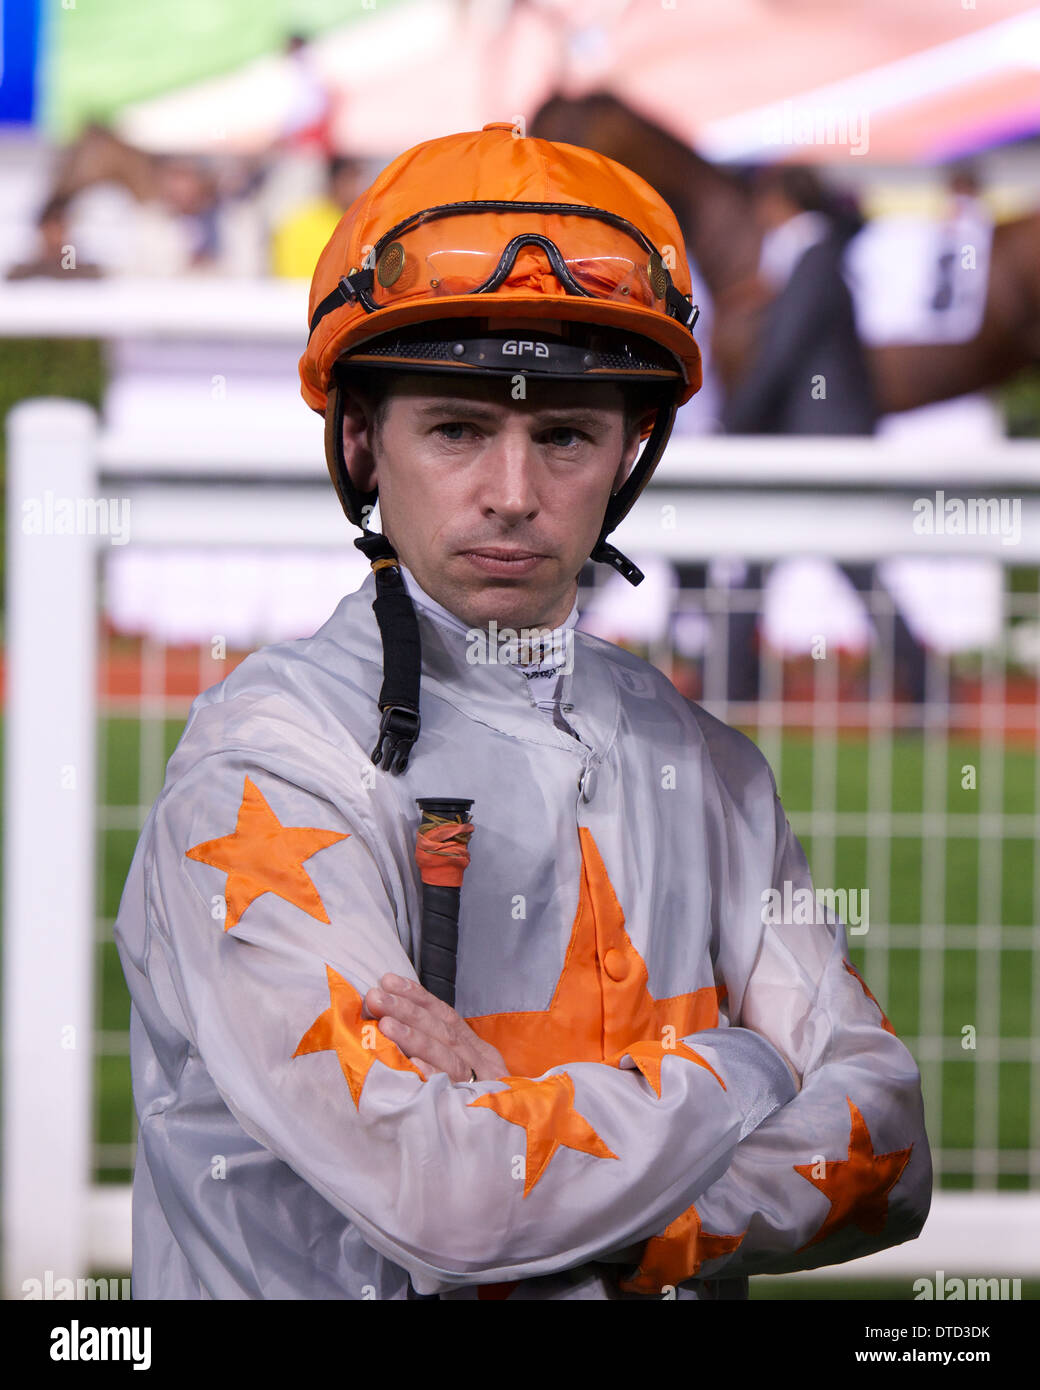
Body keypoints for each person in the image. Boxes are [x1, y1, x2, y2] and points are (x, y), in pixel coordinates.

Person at [113, 123, 931, 1300]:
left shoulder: (708, 765)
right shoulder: (267, 766)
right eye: (456, 428)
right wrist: (743, 1068)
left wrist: (520, 1128)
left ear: (628, 452)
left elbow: (888, 1147)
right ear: (362, 440)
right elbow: (445, 1199)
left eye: (562, 437)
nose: (511, 494)